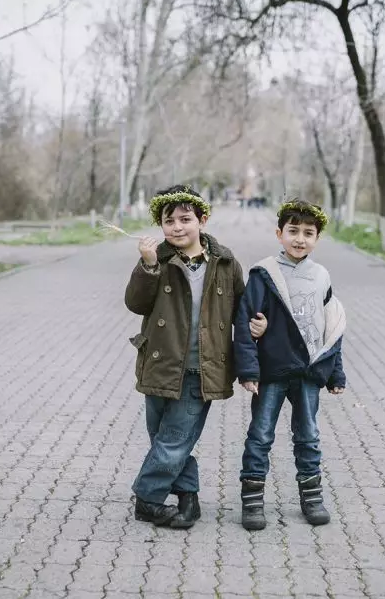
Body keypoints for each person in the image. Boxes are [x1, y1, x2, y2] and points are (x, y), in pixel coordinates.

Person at [124, 184, 266, 529]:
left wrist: (255, 327)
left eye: (185, 219)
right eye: (168, 221)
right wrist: (148, 266)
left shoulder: (226, 262)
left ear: (202, 220)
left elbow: (241, 308)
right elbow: (136, 303)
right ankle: (188, 496)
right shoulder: (158, 258)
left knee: (173, 440)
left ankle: (147, 499)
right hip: (159, 364)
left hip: (200, 370)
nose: (177, 227)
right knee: (165, 438)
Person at [233, 198, 347, 531]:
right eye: (293, 231)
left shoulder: (321, 276)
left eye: (308, 233)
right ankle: (252, 500)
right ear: (279, 233)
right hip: (272, 371)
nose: (300, 239)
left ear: (317, 238)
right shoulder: (263, 274)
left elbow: (332, 327)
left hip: (308, 373)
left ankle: (311, 497)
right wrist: (249, 370)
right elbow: (244, 322)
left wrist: (335, 373)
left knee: (308, 436)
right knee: (260, 435)